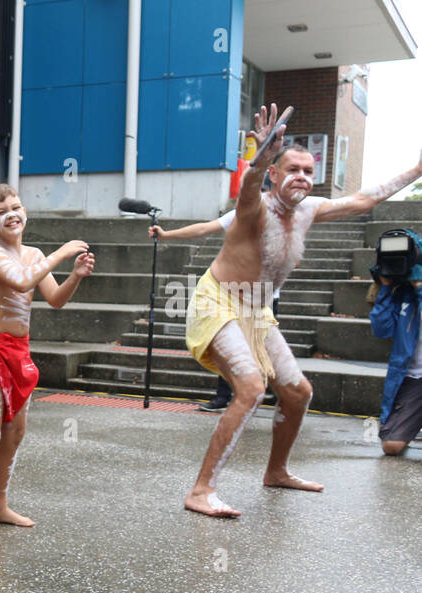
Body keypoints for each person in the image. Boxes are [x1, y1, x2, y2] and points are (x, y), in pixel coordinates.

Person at [182, 103, 422, 517]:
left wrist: (416, 170)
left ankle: (276, 471)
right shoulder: (254, 206)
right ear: (274, 174)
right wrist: (261, 151)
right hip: (217, 302)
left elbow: (364, 200)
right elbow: (249, 183)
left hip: (256, 313)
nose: (302, 178)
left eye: (309, 172)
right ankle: (201, 490)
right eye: (292, 169)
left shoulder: (310, 210)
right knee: (252, 388)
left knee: (298, 393)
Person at [0, 184, 94, 540]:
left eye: (16, 206)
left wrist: (75, 277)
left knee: (16, 432)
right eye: (2, 211)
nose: (12, 214)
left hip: (19, 349)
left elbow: (55, 300)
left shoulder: (34, 254)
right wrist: (62, 254)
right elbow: (21, 282)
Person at [150, 215, 236, 410]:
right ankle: (224, 395)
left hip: (262, 295)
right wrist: (166, 235)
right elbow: (203, 228)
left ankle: (267, 389)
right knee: (228, 343)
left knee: (258, 346)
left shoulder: (286, 216)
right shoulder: (242, 212)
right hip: (232, 293)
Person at [369, 256, 422, 455]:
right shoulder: (404, 294)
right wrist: (384, 289)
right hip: (414, 379)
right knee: (391, 445)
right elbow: (382, 329)